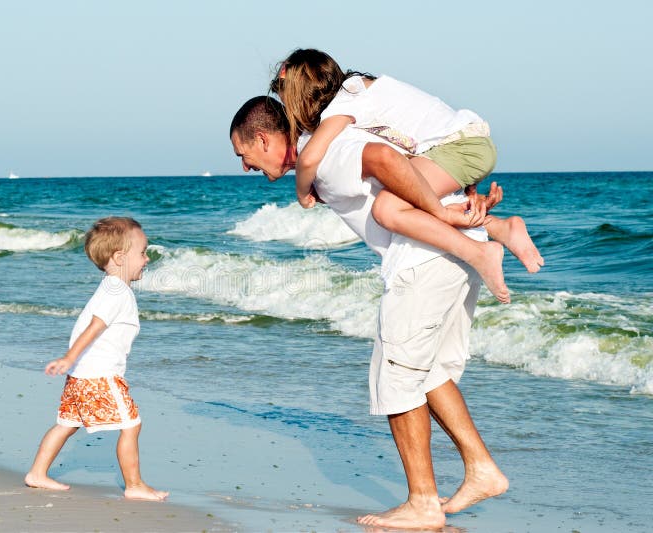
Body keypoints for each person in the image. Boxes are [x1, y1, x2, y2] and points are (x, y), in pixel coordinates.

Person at [230, 96, 508, 529]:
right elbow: (410, 158)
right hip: (450, 260)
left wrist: (439, 212)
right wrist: (461, 207)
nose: (244, 166)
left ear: (263, 139)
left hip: (421, 262)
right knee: (428, 373)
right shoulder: (333, 147)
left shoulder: (327, 156)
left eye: (243, 155)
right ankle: (481, 468)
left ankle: (423, 503)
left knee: (396, 379)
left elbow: (381, 157)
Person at [271, 49, 545, 304]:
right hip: (466, 142)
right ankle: (500, 228)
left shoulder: (344, 104)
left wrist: (302, 193)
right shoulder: (359, 89)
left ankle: (481, 254)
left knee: (388, 209)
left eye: (287, 104)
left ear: (300, 97)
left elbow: (309, 158)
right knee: (410, 199)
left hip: (461, 147)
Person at [24, 217, 169, 501]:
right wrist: (68, 357)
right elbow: (95, 326)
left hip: (81, 375)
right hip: (99, 374)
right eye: (142, 252)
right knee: (131, 424)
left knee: (67, 423)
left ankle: (37, 473)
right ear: (119, 257)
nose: (146, 258)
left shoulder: (109, 287)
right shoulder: (118, 292)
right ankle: (134, 484)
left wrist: (71, 363)